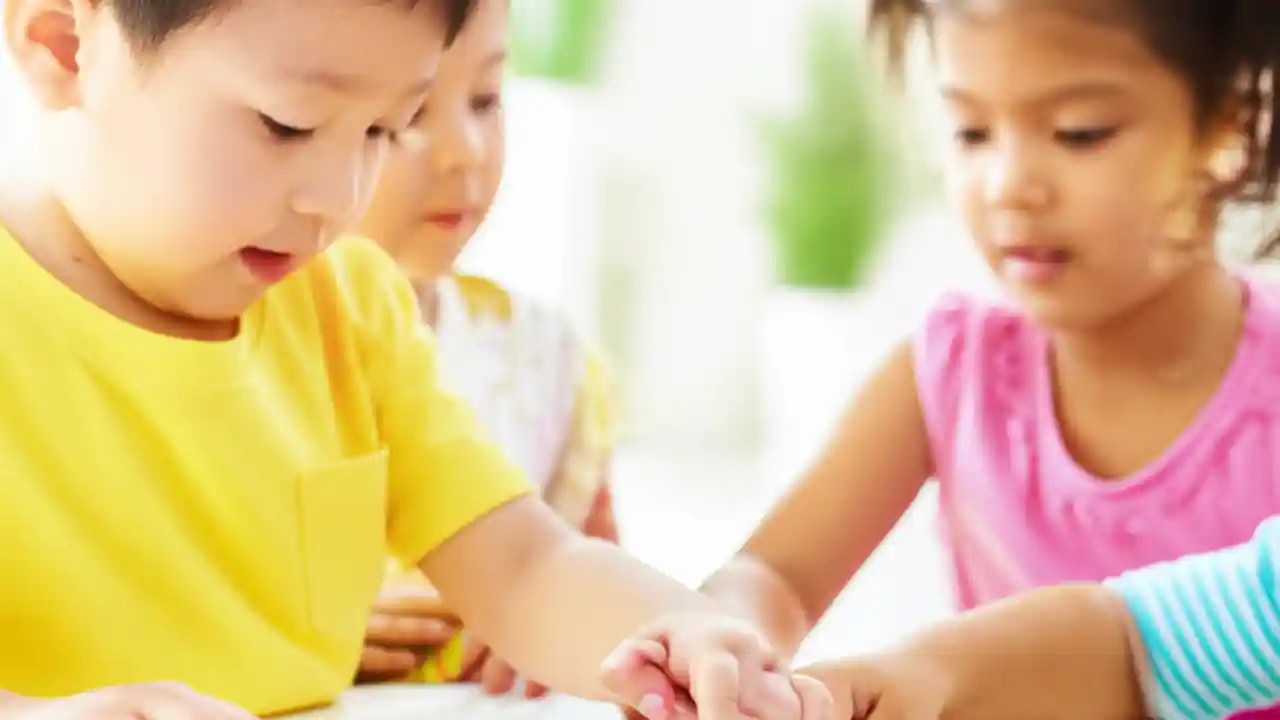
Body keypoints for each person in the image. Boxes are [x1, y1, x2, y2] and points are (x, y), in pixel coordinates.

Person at [0, 1, 832, 719]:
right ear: (62, 43)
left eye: (380, 130)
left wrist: (675, 630)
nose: (336, 195)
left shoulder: (351, 308)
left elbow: (524, 563)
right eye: (285, 123)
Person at [700, 1, 1280, 718]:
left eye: (1079, 133)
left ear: (1229, 124)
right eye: (972, 133)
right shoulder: (954, 369)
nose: (1009, 184)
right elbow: (775, 576)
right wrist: (718, 650)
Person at [351, 0, 620, 697]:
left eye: (485, 100)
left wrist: (562, 634)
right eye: (409, 116)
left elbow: (608, 611)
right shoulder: (246, 343)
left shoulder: (544, 361)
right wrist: (301, 630)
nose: (462, 151)